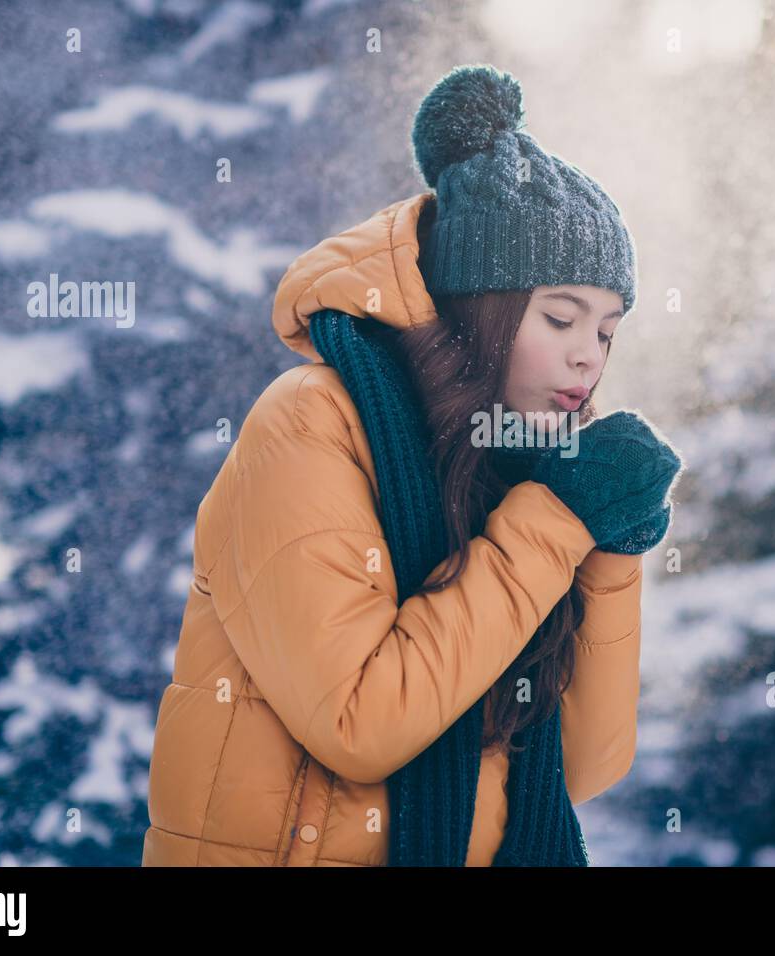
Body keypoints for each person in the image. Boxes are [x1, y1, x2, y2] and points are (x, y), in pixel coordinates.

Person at [142, 63, 684, 867]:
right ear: (482, 307)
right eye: (561, 317)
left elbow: (583, 765)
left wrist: (608, 551)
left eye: (606, 331)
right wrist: (557, 524)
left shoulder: (525, 470)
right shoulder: (312, 422)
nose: (587, 358)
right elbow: (359, 722)